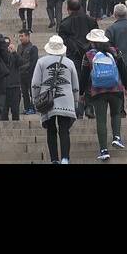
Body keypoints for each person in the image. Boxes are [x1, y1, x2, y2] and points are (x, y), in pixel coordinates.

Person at [80, 29, 127, 161]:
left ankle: (103, 149)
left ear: (92, 41)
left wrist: (81, 92)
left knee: (101, 120)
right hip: (116, 88)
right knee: (116, 113)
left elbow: (84, 76)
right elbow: (123, 69)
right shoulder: (115, 51)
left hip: (97, 91)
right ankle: (117, 137)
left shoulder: (88, 55)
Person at [31, 35, 80, 163]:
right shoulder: (69, 62)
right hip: (66, 100)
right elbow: (75, 85)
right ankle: (65, 158)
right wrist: (75, 101)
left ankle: (54, 159)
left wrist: (35, 98)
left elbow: (35, 83)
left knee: (51, 129)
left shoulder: (41, 62)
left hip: (47, 101)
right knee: (64, 130)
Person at [17, 29, 39, 114]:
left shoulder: (33, 48)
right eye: (20, 36)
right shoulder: (19, 47)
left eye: (22, 36)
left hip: (30, 74)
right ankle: (26, 108)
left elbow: (33, 62)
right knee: (24, 93)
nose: (21, 38)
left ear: (27, 36)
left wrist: (27, 69)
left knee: (31, 93)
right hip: (21, 74)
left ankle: (32, 108)